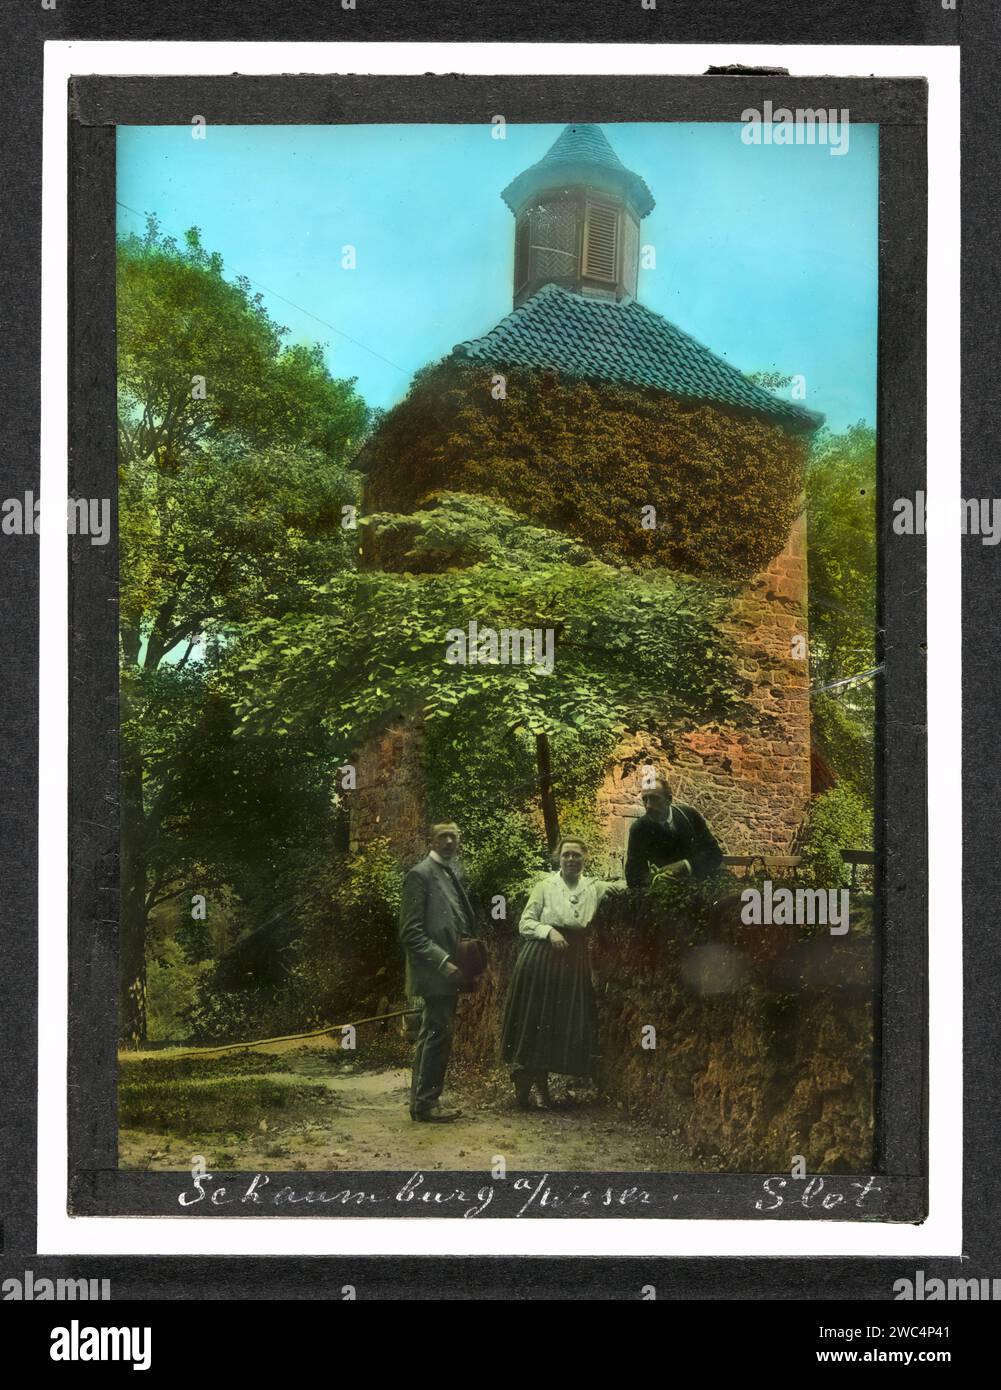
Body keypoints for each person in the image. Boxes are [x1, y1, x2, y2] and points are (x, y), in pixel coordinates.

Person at [500, 837, 623, 1110]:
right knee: (536, 1019)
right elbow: (525, 922)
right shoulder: (545, 886)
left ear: (585, 858)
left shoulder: (594, 887)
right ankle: (531, 1083)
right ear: (559, 858)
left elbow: (625, 886)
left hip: (573, 960)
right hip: (541, 957)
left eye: (576, 855)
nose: (570, 860)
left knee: (558, 1022)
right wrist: (549, 931)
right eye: (566, 855)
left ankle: (535, 1084)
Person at [399, 821, 476, 1123]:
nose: (448, 842)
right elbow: (411, 932)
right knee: (438, 1033)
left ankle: (422, 1102)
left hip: (450, 969)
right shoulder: (420, 875)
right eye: (442, 837)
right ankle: (426, 1103)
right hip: (436, 972)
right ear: (429, 840)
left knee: (433, 1032)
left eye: (453, 837)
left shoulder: (449, 872)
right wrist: (444, 962)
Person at [624, 775, 723, 891]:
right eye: (645, 799)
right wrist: (656, 880)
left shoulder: (689, 815)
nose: (649, 805)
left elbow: (714, 854)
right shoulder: (639, 829)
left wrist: (685, 865)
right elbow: (633, 876)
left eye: (654, 798)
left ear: (669, 799)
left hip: (699, 887)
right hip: (664, 893)